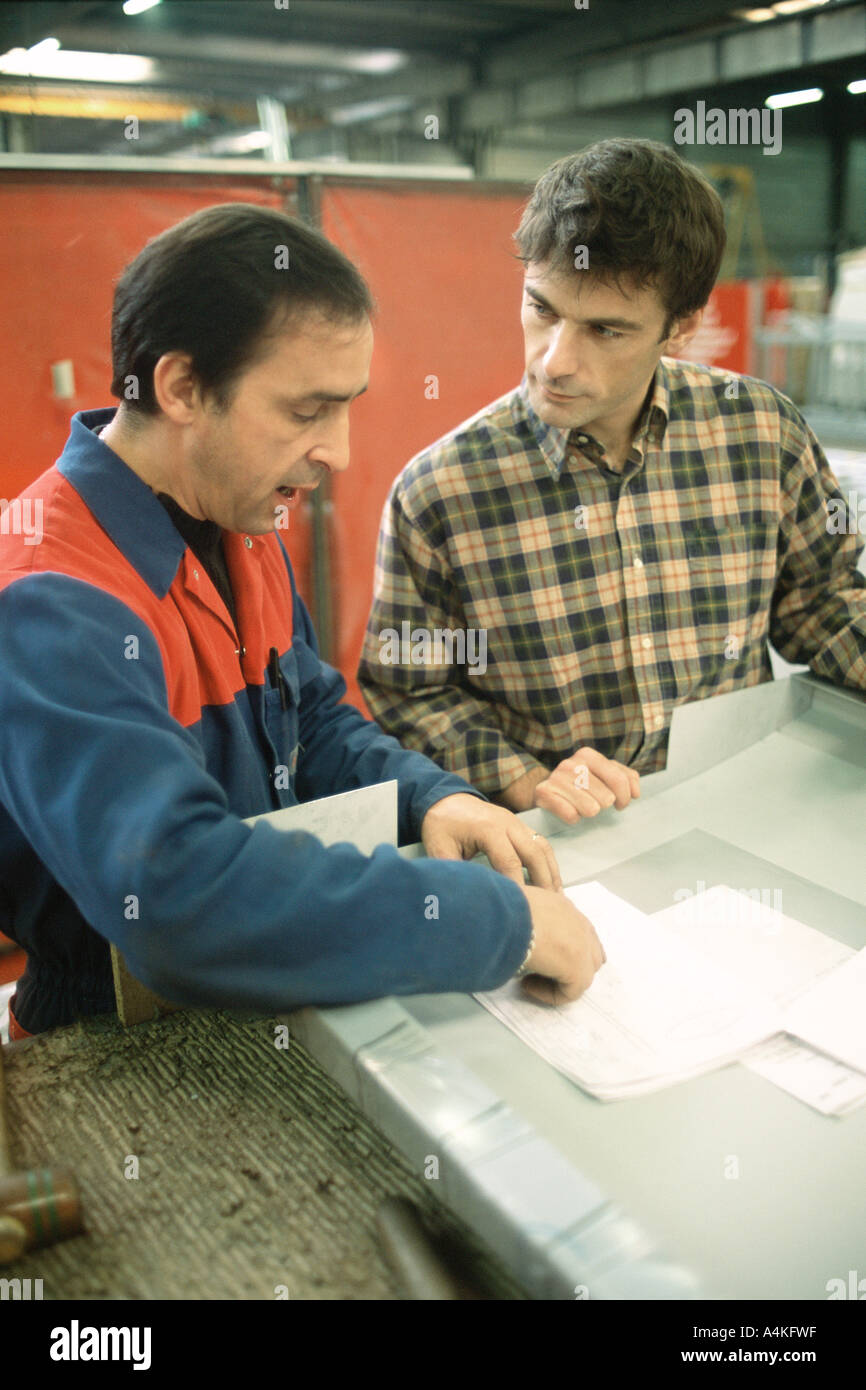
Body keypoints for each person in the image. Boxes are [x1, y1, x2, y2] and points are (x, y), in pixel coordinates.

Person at [0, 203, 606, 1039]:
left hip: (275, 996)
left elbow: (311, 721)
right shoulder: (48, 598)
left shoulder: (239, 523)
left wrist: (423, 798)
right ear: (180, 388)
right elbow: (177, 894)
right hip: (112, 1042)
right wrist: (492, 922)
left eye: (348, 406)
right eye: (306, 411)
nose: (340, 452)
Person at [358, 139, 866, 824]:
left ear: (681, 329)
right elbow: (410, 692)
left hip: (742, 811)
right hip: (570, 841)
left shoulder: (762, 433)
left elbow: (821, 603)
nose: (556, 363)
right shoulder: (442, 492)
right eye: (543, 310)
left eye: (605, 330)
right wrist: (529, 781)